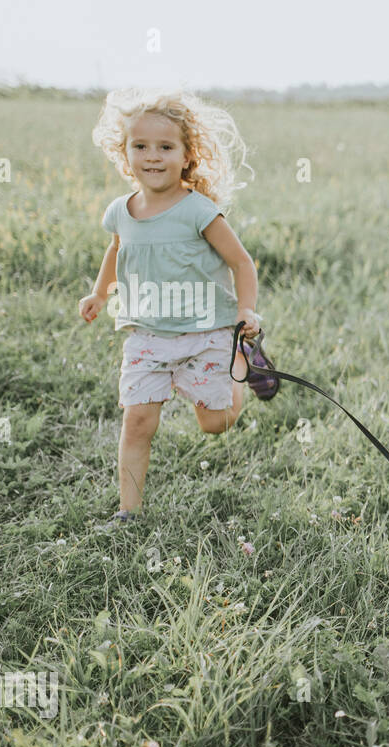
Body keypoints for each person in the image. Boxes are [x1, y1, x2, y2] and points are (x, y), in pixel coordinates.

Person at [78, 89, 279, 530]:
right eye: (141, 146)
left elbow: (241, 261)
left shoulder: (198, 210)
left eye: (166, 147)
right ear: (124, 151)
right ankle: (128, 513)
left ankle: (242, 360)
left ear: (187, 155)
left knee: (216, 422)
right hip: (146, 335)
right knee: (137, 422)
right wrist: (99, 292)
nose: (152, 156)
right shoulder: (121, 211)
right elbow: (116, 250)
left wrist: (246, 310)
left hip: (206, 332)